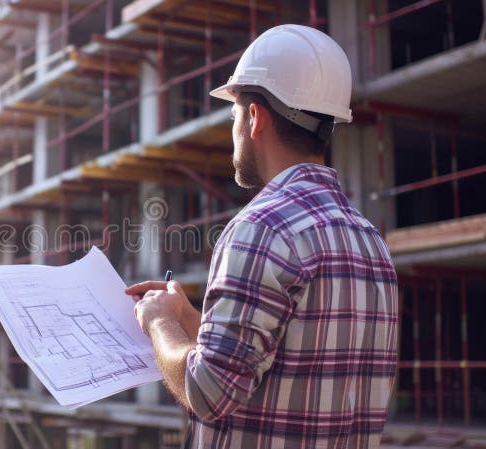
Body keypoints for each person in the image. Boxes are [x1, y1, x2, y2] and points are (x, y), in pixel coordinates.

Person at [127, 24, 398, 449]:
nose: (232, 128)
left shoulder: (260, 229)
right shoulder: (370, 242)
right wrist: (189, 319)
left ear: (255, 118)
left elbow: (207, 392)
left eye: (234, 113)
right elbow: (281, 358)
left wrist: (158, 321)